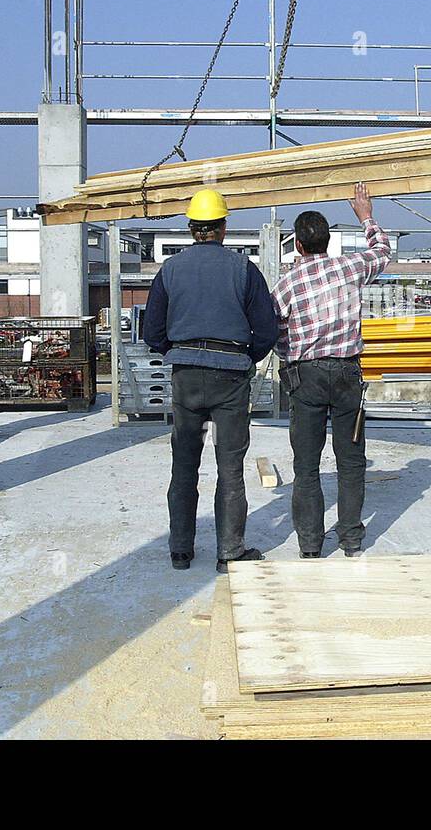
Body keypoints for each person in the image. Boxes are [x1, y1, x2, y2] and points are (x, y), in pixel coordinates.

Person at [141, 188, 278, 573]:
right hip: (230, 375)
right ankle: (229, 551)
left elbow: (152, 331)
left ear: (191, 228)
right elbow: (265, 331)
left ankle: (180, 551)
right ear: (222, 227)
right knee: (230, 466)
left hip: (186, 375)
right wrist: (242, 358)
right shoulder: (244, 269)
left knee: (184, 464)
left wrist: (177, 352)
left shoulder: (169, 270)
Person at [273, 182, 391, 559]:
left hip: (305, 377)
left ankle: (310, 545)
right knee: (351, 460)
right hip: (346, 376)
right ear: (329, 242)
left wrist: (290, 357)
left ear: (298, 246)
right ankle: (351, 539)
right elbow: (382, 251)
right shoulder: (350, 267)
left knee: (306, 465)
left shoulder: (287, 284)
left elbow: (277, 332)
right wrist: (366, 216)